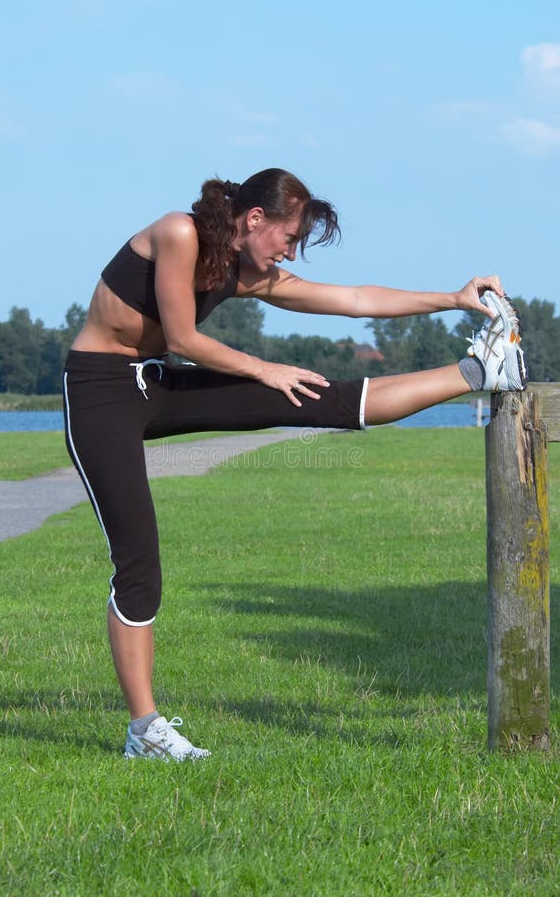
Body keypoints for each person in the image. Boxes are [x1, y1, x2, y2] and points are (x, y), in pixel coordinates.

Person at [63, 167, 527, 761]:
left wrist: (453, 300)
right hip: (99, 394)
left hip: (155, 382)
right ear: (255, 219)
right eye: (288, 237)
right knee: (138, 565)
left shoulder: (241, 271)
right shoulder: (178, 233)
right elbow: (182, 338)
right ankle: (144, 731)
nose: (290, 252)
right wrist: (265, 368)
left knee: (313, 394)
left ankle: (479, 371)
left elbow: (353, 300)